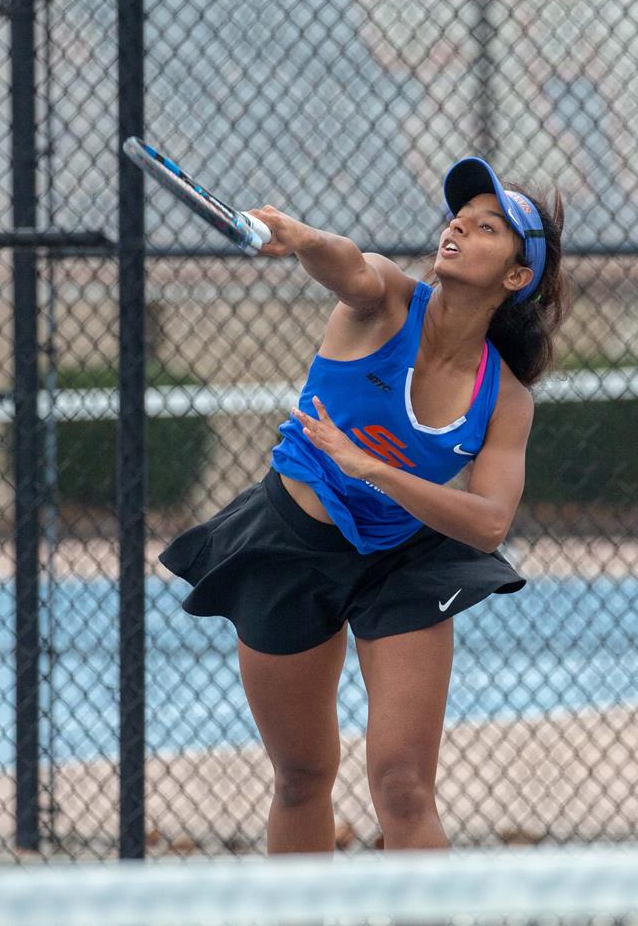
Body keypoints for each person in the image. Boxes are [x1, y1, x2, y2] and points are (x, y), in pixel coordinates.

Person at [161, 157, 568, 854]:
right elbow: (347, 264)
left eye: (487, 226)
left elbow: (489, 522)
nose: (459, 227)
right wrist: (297, 235)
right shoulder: (383, 300)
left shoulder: (506, 398)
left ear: (516, 275)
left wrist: (372, 469)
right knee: (301, 773)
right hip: (290, 542)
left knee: (405, 786)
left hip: (403, 561)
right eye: (459, 218)